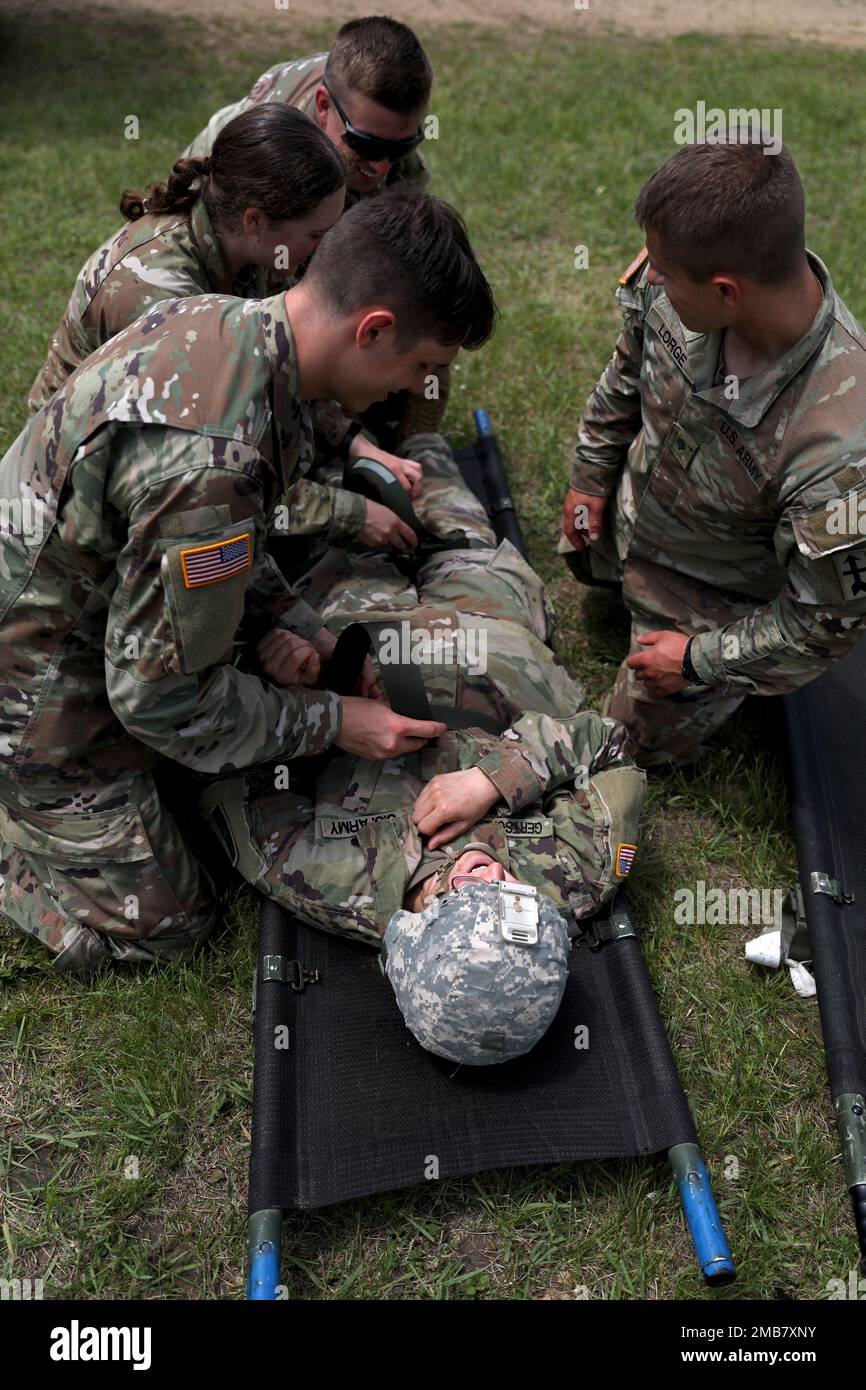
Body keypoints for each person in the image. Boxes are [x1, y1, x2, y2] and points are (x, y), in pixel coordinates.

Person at [0, 192, 495, 974]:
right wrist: (334, 721)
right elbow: (160, 703)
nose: (414, 392)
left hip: (92, 613)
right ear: (373, 331)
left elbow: (237, 542)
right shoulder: (212, 456)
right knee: (170, 926)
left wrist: (302, 623)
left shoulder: (242, 332)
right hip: (30, 684)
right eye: (422, 367)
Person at [200, 440, 646, 1064]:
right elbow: (612, 751)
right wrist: (500, 777)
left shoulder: (329, 876)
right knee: (425, 460)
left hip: (353, 634)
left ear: (410, 932)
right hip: (492, 626)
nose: (486, 877)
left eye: (457, 898)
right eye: (513, 897)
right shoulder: (575, 874)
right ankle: (404, 426)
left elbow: (227, 778)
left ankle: (331, 434)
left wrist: (306, 696)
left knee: (316, 492)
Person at [560, 132, 866, 767]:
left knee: (624, 747)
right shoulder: (684, 272)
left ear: (728, 292)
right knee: (582, 568)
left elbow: (820, 624)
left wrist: (700, 661)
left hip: (714, 605)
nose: (653, 281)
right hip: (631, 519)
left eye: (666, 277)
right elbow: (624, 372)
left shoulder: (843, 452)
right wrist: (590, 476)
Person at [182, 16, 447, 446]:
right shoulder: (263, 171)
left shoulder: (387, 158)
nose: (380, 167)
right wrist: (345, 441)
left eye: (400, 147)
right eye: (366, 146)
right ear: (323, 105)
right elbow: (264, 338)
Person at [28, 106, 346, 415]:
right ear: (255, 221)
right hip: (80, 445)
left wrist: (353, 445)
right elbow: (225, 409)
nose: (323, 247)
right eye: (316, 235)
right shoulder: (157, 291)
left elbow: (284, 356)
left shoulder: (251, 243)